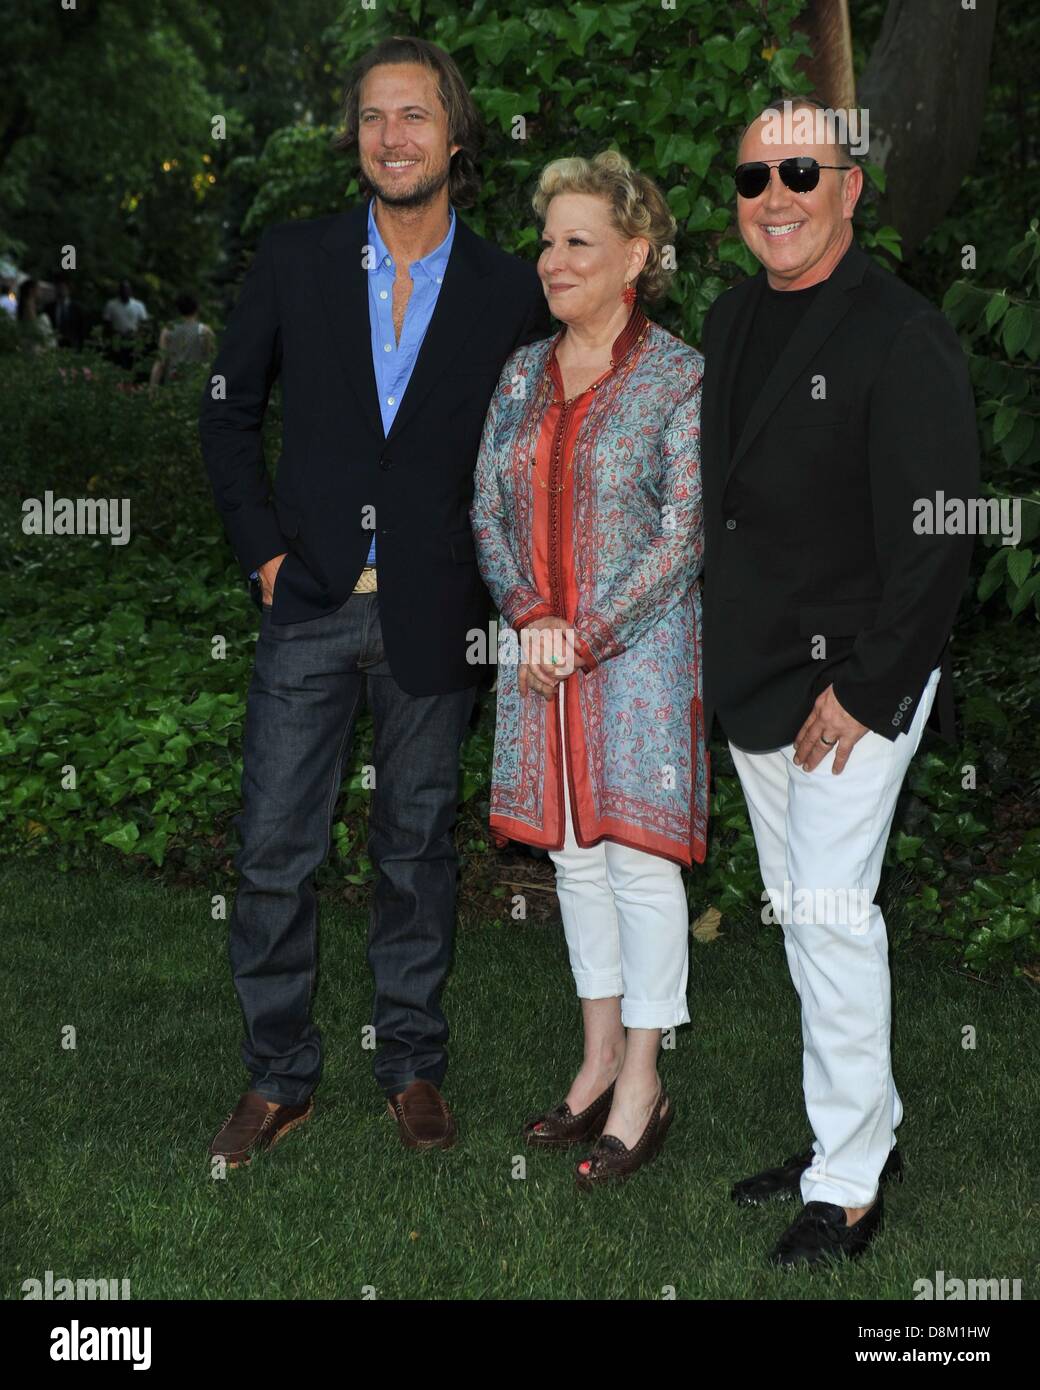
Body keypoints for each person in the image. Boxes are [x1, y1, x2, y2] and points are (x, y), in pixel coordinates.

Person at [200, 36, 550, 1168]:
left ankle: (409, 1063)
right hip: (305, 605)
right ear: (355, 137)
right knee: (271, 852)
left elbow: (531, 452)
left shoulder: (508, 285)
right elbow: (225, 409)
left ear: (454, 135)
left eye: (412, 116)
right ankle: (278, 1075)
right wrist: (261, 553)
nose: (389, 137)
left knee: (414, 852)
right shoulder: (297, 259)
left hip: (436, 614)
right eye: (370, 118)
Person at [699, 97, 979, 1267]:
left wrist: (864, 692)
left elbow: (937, 540)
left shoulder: (900, 334)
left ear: (849, 189)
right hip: (753, 676)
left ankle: (852, 1185)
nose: (774, 197)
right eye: (753, 177)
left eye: (799, 173)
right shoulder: (726, 319)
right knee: (804, 918)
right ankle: (848, 1140)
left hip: (855, 686)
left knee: (826, 916)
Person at [471, 150, 708, 1190]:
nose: (551, 259)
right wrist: (528, 616)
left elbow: (684, 530)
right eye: (546, 240)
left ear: (634, 256)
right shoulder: (521, 372)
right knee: (570, 862)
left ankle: (644, 1085)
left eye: (577, 241)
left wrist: (588, 631)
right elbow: (485, 505)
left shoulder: (679, 374)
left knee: (639, 868)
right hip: (536, 661)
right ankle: (596, 1056)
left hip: (639, 660)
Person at [149, 293, 215, 386]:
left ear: (178, 309)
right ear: (197, 308)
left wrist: (152, 389)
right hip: (196, 388)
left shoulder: (167, 330)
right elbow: (211, 362)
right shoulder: (205, 331)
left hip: (172, 388)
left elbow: (160, 363)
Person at [102, 279, 148, 368]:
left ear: (130, 291)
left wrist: (140, 338)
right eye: (123, 289)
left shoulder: (138, 305)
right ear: (119, 291)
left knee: (132, 363)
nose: (125, 292)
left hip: (133, 337)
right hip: (117, 337)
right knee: (118, 363)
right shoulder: (111, 305)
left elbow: (144, 324)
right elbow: (107, 323)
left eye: (127, 289)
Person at [16, 279, 56, 353]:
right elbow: (34, 327)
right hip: (34, 348)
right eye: (39, 288)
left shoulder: (29, 305)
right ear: (31, 290)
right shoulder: (28, 305)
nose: (41, 291)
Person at [47, 275, 87, 350]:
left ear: (69, 289)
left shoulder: (77, 308)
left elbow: (81, 330)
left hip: (72, 347)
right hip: (54, 346)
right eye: (59, 288)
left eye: (63, 288)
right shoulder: (49, 307)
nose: (61, 290)